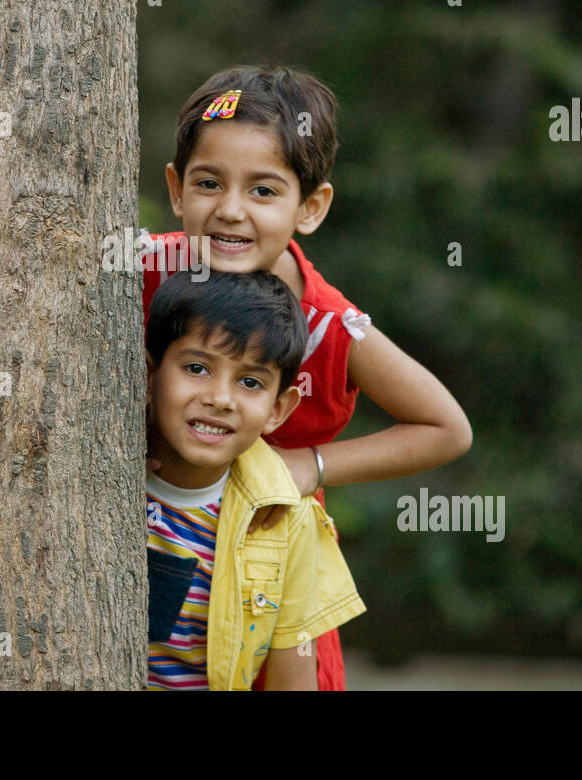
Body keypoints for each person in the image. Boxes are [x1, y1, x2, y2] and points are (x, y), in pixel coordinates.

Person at [143, 65, 473, 690]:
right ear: (177, 189)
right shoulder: (144, 268)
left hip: (268, 564)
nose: (231, 211)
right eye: (209, 183)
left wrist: (309, 467)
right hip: (154, 529)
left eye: (264, 191)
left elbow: (446, 428)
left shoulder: (329, 324)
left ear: (311, 207)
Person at [145, 268, 365, 690]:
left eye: (249, 381)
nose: (220, 399)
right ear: (149, 376)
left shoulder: (290, 522)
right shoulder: (91, 478)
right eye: (196, 367)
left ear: (279, 408)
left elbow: (292, 680)